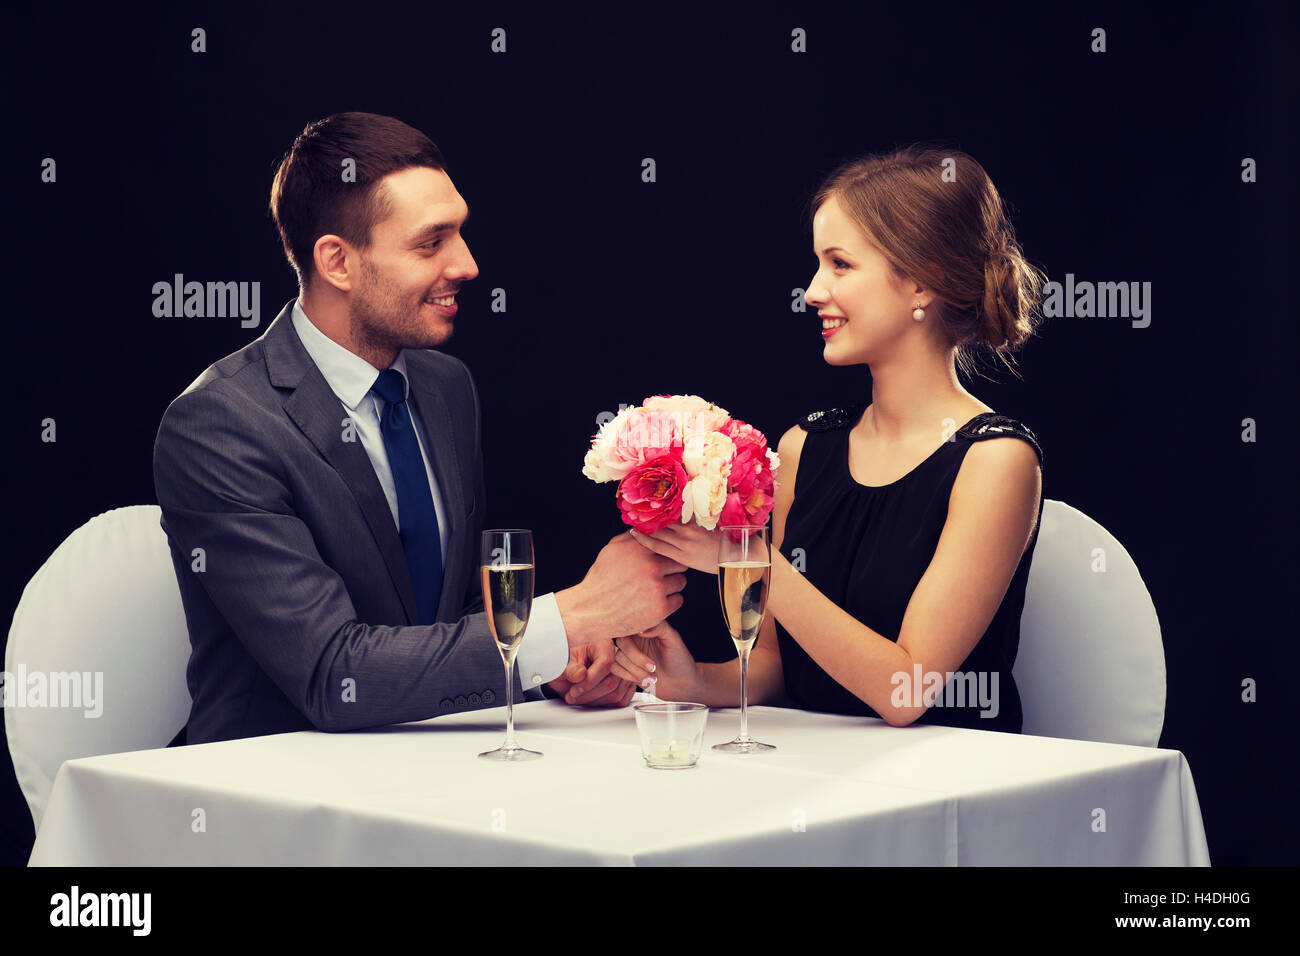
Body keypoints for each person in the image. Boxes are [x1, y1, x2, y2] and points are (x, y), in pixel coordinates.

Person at [153, 112, 686, 746]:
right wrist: (575, 614)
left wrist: (548, 664)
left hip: (431, 768)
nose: (468, 265)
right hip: (270, 799)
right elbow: (332, 674)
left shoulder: (445, 387)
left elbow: (446, 616)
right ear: (337, 262)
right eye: (431, 243)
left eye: (460, 233)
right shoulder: (219, 425)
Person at [614, 146, 1046, 733]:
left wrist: (750, 560)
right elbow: (774, 667)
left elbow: (906, 691)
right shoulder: (804, 448)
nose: (813, 291)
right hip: (823, 771)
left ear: (922, 282)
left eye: (840, 264)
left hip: (947, 787)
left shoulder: (995, 460)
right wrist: (692, 682)